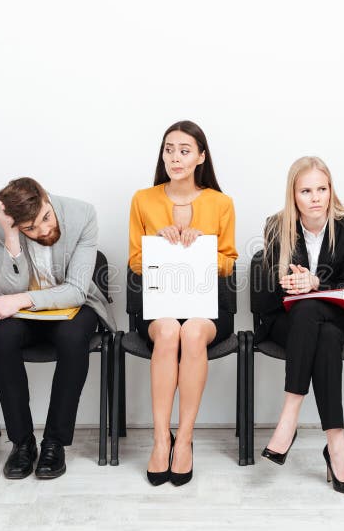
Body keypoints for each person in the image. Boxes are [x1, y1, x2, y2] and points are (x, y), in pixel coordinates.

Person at [255, 156, 344, 495]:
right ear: (293, 195)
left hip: (337, 312)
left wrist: (314, 285)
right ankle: (336, 445)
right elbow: (269, 291)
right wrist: (291, 286)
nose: (316, 197)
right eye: (306, 190)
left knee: (314, 310)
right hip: (288, 319)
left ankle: (288, 418)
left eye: (322, 189)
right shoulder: (275, 226)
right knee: (320, 332)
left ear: (331, 190)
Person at [0, 177, 115, 480]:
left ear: (46, 198)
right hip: (20, 312)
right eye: (30, 228)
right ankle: (22, 443)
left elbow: (77, 290)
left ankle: (54, 442)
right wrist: (12, 238)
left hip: (73, 307)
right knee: (1, 336)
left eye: (45, 218)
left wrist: (23, 299)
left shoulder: (82, 215)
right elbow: (6, 286)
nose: (42, 230)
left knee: (72, 338)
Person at [128, 120, 237, 486]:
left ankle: (185, 438)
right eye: (169, 149)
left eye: (184, 150)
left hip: (206, 305)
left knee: (191, 333)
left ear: (200, 158)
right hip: (160, 302)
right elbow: (134, 262)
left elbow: (228, 262)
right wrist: (158, 244)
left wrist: (201, 244)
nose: (175, 157)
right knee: (170, 330)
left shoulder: (221, 203)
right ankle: (161, 438)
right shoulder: (143, 199)